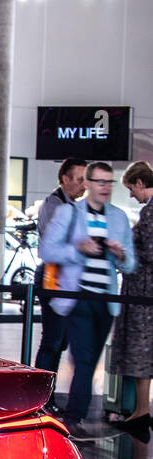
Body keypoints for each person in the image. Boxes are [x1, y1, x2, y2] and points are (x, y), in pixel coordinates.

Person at [39, 161, 136, 438]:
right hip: (77, 296)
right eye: (99, 181)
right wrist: (77, 247)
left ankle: (75, 415)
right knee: (80, 358)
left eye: (109, 182)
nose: (105, 187)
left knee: (90, 361)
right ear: (89, 184)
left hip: (105, 300)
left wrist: (120, 255)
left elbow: (130, 264)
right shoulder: (68, 212)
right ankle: (73, 418)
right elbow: (47, 250)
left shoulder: (118, 218)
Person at [106, 160, 153, 441]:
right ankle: (140, 409)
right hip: (144, 290)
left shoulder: (150, 213)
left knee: (141, 350)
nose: (132, 195)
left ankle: (141, 411)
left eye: (131, 189)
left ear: (139, 183)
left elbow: (148, 252)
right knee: (143, 352)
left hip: (143, 293)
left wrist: (121, 249)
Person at [34, 157, 88, 386]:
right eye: (80, 179)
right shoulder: (54, 204)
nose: (84, 185)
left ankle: (48, 394)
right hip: (52, 278)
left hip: (65, 280)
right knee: (52, 341)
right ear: (65, 179)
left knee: (60, 341)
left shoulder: (71, 205)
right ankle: (40, 395)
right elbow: (54, 245)